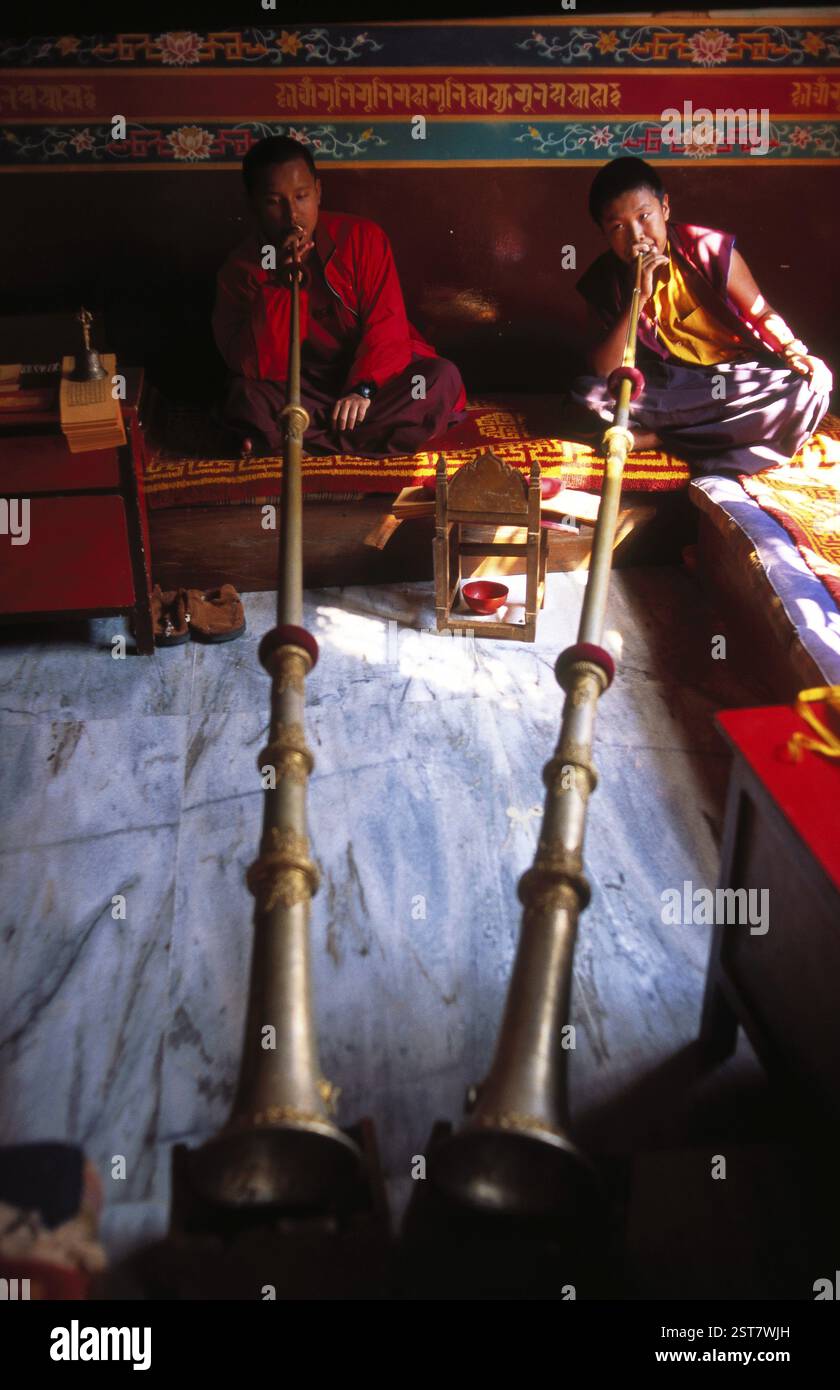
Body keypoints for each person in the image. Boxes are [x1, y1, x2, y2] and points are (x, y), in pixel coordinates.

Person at [565, 157, 832, 474]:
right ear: (604, 234)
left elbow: (761, 313)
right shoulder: (604, 278)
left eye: (644, 216)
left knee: (807, 389)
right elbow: (607, 370)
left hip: (730, 380)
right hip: (670, 387)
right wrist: (639, 297)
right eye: (618, 227)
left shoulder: (708, 250)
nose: (637, 235)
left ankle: (659, 437)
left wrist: (792, 351)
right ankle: (716, 435)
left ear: (665, 208)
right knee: (586, 395)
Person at [212, 135, 466, 457]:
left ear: (318, 192)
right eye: (274, 202)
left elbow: (387, 327)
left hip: (367, 381)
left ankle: (297, 441)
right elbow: (259, 365)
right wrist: (282, 283)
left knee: (440, 379)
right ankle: (361, 439)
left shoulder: (362, 238)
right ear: (253, 205)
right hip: (300, 388)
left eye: (302, 196)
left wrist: (363, 388)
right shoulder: (240, 271)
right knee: (244, 398)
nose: (292, 215)